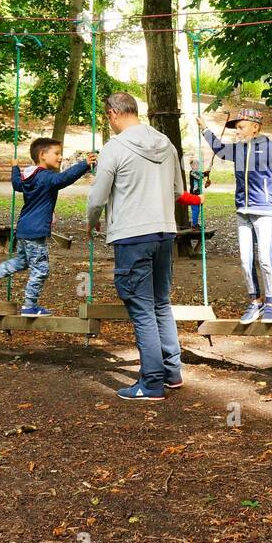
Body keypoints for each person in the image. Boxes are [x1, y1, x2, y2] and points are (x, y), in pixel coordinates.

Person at [88, 92, 202, 400]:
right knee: (160, 304)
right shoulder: (166, 144)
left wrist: (92, 220)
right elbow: (179, 190)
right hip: (165, 232)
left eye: (107, 117)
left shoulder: (114, 148)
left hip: (131, 236)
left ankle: (151, 383)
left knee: (141, 310)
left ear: (113, 113)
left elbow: (98, 195)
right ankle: (172, 372)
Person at [199, 107, 272, 324]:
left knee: (264, 258)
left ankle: (271, 304)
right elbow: (219, 149)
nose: (237, 131)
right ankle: (255, 301)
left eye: (241, 127)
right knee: (245, 260)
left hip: (263, 210)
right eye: (235, 128)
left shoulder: (269, 148)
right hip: (242, 211)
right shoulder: (236, 149)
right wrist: (205, 129)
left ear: (255, 128)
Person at [0, 139, 96, 314]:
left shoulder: (29, 176)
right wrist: (85, 165)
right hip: (35, 231)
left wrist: (15, 168)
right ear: (42, 155)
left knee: (21, 262)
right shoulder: (45, 177)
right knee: (41, 269)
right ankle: (29, 306)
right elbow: (64, 179)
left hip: (24, 229)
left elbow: (17, 184)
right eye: (57, 153)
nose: (60, 157)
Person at [187, 158, 210, 228]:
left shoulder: (197, 172)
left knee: (197, 210)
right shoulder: (192, 172)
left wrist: (206, 173)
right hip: (193, 194)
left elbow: (201, 175)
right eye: (195, 165)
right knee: (195, 210)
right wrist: (204, 174)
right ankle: (194, 225)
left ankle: (195, 223)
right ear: (192, 166)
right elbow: (199, 177)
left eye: (198, 165)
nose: (197, 166)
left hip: (198, 194)